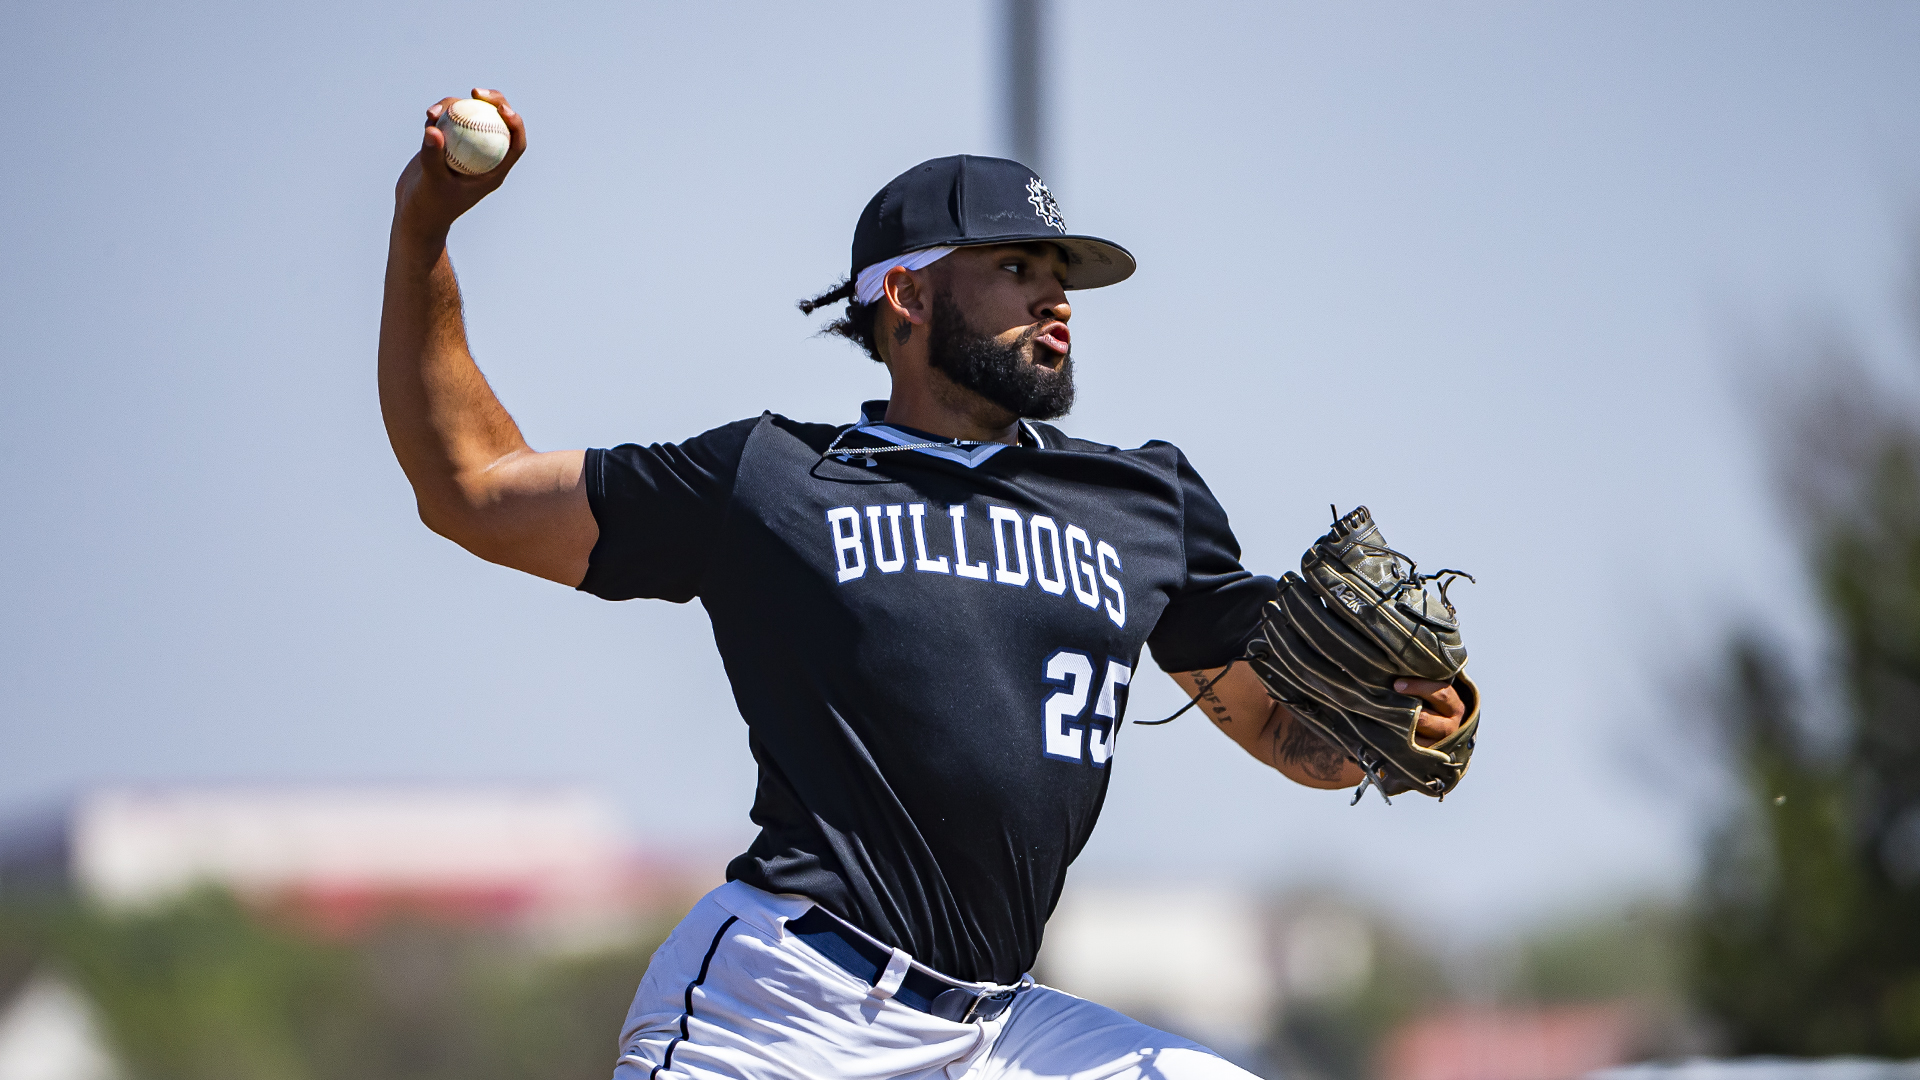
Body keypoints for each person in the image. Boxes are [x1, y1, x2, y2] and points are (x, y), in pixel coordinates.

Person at [379, 90, 1467, 1080]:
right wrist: (425, 226)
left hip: (1000, 1033)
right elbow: (472, 487)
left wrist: (1390, 723)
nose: (1059, 302)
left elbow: (1282, 735)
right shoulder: (771, 481)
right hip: (786, 1010)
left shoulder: (1145, 504)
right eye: (1017, 270)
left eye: (1062, 278)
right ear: (904, 297)